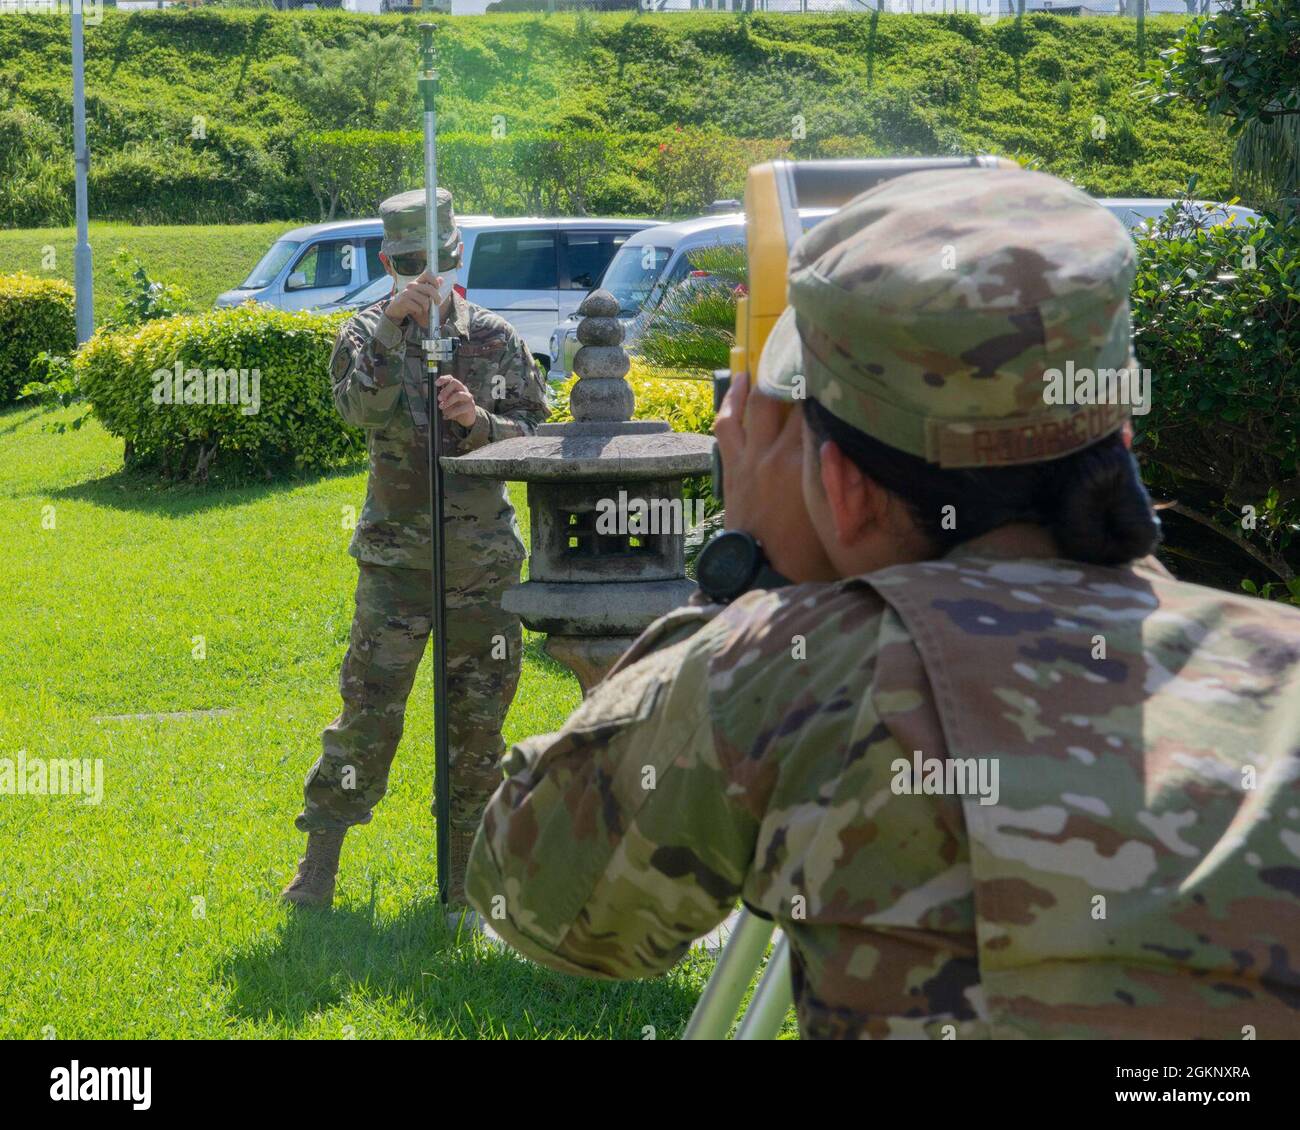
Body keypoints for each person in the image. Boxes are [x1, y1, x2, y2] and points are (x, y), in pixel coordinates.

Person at [465, 166, 1300, 1039]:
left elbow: (538, 899)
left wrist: (753, 587)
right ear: (1120, 439)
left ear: (843, 486)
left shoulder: (799, 682)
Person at [283, 188, 549, 911]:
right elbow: (355, 409)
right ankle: (319, 868)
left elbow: (538, 438)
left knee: (477, 730)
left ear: (455, 257)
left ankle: (465, 881)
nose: (422, 277)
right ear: (386, 263)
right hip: (396, 569)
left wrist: (480, 420)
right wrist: (392, 332)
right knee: (367, 717)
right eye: (407, 264)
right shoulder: (365, 333)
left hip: (481, 569)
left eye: (432, 261)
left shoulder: (495, 337)